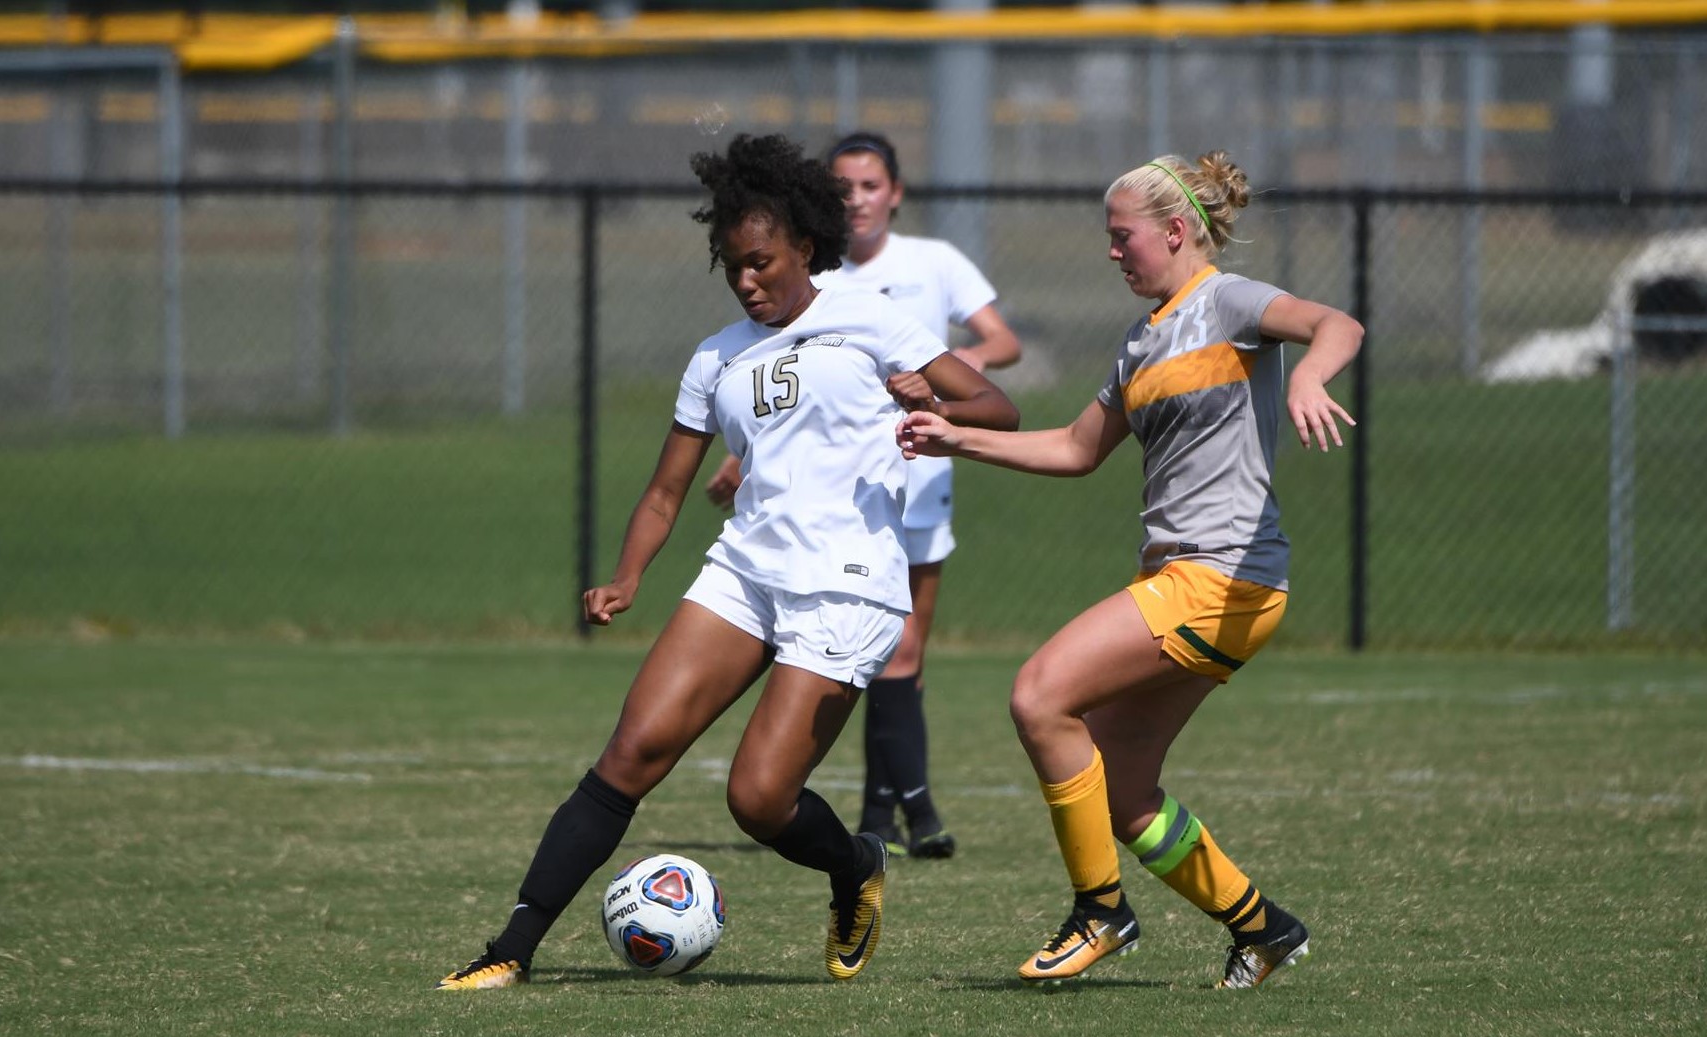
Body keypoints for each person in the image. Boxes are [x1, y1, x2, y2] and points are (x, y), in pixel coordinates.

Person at [436, 132, 1020, 991]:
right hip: (745, 573)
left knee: (757, 800)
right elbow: (667, 491)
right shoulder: (715, 355)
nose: (747, 281)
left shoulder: (867, 318)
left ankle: (855, 864)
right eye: (732, 267)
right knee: (631, 753)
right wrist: (628, 576)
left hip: (846, 585)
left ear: (804, 248)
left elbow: (997, 407)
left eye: (761, 263)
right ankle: (509, 950)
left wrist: (931, 400)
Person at [895, 151, 1361, 989]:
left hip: (1222, 578)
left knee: (1039, 695)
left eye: (1123, 237)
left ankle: (1100, 912)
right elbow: (1077, 449)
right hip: (1193, 583)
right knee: (1125, 794)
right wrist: (956, 436)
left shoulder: (1229, 300)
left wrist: (1311, 380)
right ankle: (1265, 929)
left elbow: (1339, 325)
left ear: (1176, 231)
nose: (1112, 253)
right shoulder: (1142, 341)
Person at [706, 131, 1022, 861]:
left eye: (870, 185)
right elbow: (794, 393)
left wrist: (938, 378)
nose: (858, 199)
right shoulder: (814, 275)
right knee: (881, 654)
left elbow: (998, 352)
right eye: (843, 187)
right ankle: (889, 812)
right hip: (839, 500)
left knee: (901, 652)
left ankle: (906, 807)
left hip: (925, 470)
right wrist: (740, 458)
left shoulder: (931, 264)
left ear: (895, 192)